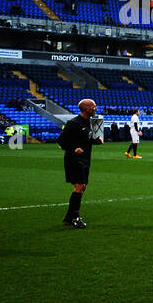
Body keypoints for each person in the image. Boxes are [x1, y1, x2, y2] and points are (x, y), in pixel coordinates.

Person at [58, 98, 102, 229]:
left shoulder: (90, 123)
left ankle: (68, 217)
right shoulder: (73, 123)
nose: (95, 109)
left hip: (86, 159)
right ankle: (75, 218)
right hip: (74, 159)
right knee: (80, 186)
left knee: (82, 187)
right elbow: (60, 140)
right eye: (93, 107)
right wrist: (73, 149)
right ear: (86, 108)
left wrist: (96, 141)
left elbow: (86, 140)